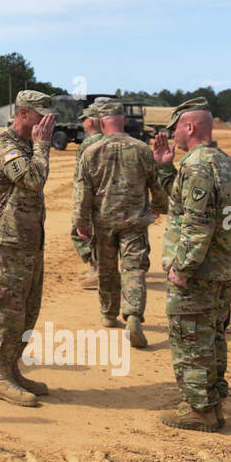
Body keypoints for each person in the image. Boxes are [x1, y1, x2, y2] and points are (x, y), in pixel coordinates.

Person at [152, 97, 231, 432]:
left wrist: (183, 267)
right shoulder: (224, 162)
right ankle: (212, 404)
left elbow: (196, 223)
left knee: (190, 338)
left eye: (175, 127)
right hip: (219, 266)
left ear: (189, 127)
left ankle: (198, 409)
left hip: (199, 271)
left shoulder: (198, 165)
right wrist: (164, 166)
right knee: (211, 336)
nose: (172, 134)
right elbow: (182, 202)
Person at [0, 90, 57, 406]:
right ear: (23, 114)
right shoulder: (5, 145)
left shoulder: (25, 145)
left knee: (27, 310)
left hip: (28, 242)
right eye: (41, 114)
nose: (47, 121)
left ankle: (12, 370)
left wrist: (37, 145)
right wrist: (43, 146)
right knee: (7, 311)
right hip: (7, 243)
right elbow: (31, 179)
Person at [74, 100, 167, 348]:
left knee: (106, 269)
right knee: (134, 268)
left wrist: (81, 221)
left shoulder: (90, 151)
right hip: (134, 221)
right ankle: (134, 315)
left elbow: (82, 191)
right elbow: (155, 184)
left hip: (103, 221)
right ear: (123, 121)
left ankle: (108, 313)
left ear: (102, 123)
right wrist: (158, 207)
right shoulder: (141, 149)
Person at [72, 105, 104, 289]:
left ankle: (98, 269)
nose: (83, 124)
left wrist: (80, 202)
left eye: (84, 120)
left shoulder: (89, 143)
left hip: (89, 195)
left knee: (82, 232)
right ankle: (96, 268)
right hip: (103, 195)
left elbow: (82, 175)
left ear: (90, 122)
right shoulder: (106, 139)